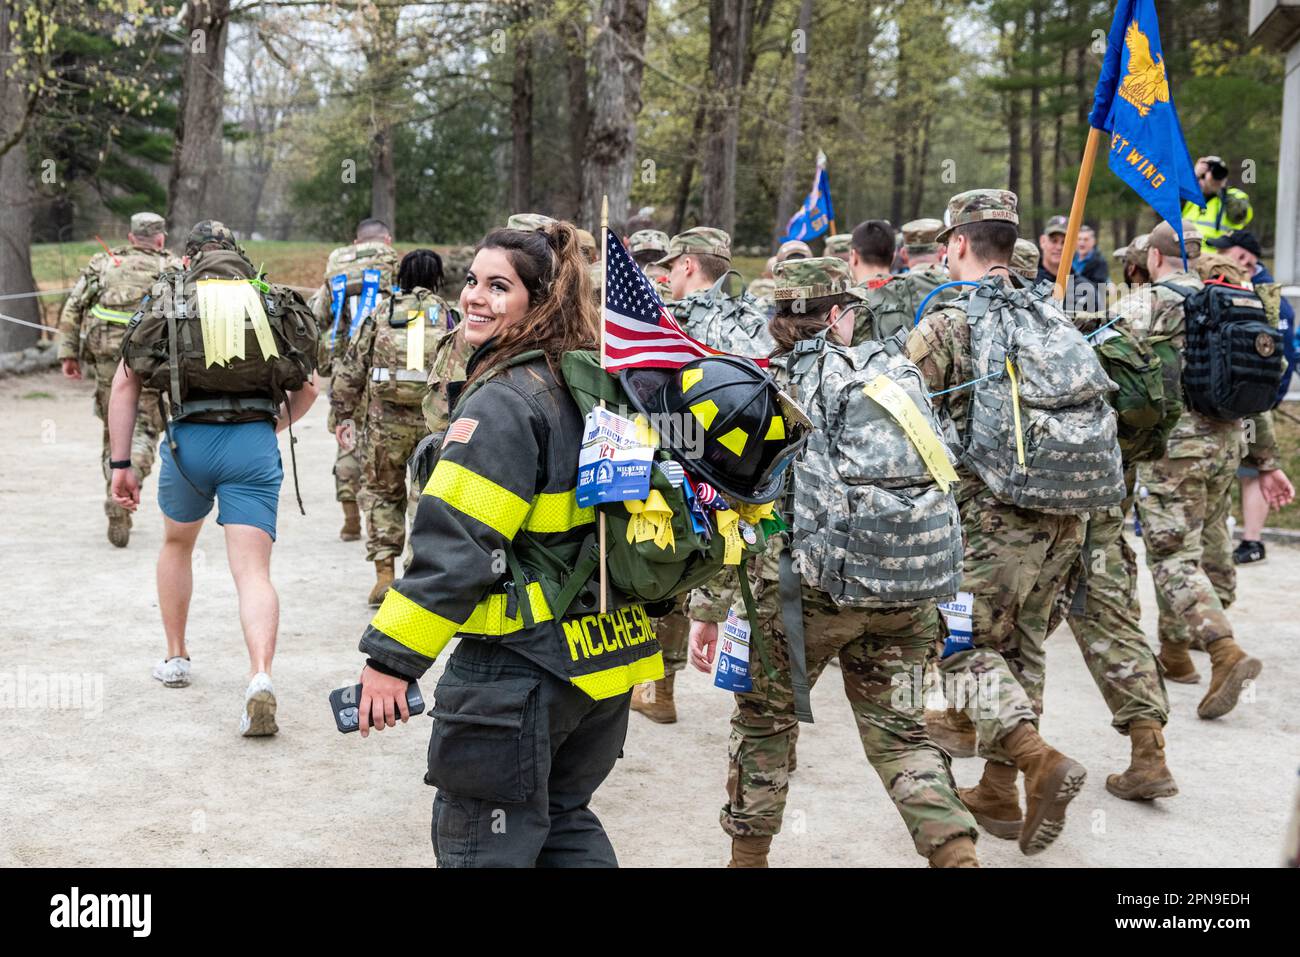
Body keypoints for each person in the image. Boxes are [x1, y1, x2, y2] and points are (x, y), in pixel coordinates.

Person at [351, 221, 670, 867]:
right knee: (562, 822)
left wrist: (391, 660)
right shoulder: (600, 386)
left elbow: (458, 548)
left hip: (518, 674)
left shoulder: (504, 401)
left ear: (541, 300)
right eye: (472, 280)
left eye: (500, 286)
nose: (474, 296)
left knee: (482, 841)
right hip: (603, 663)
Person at [687, 257, 979, 869]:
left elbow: (730, 503)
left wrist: (709, 609)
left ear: (778, 317)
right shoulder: (897, 371)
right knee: (902, 733)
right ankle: (955, 854)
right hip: (905, 589)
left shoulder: (764, 388)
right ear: (841, 314)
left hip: (801, 594)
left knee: (766, 721)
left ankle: (748, 860)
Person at [908, 189, 1100, 856]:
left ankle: (1036, 757)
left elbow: (899, 421)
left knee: (959, 644)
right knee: (1021, 646)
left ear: (958, 242)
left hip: (989, 517)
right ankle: (998, 787)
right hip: (1066, 516)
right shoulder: (1053, 314)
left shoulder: (948, 322)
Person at [110, 221, 319, 735]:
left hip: (188, 442)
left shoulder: (170, 298)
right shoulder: (268, 300)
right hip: (252, 441)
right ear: (238, 257)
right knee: (253, 574)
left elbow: (125, 382)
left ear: (188, 259)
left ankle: (177, 658)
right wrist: (271, 425)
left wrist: (121, 465)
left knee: (177, 545)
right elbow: (309, 388)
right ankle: (260, 677)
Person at [1131, 220, 1290, 712]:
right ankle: (1176, 652)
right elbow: (1259, 388)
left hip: (1172, 451)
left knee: (1173, 555)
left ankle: (1223, 651)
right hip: (1227, 443)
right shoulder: (1230, 298)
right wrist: (1265, 461)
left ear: (1155, 259)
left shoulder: (1147, 302)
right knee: (1205, 542)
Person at [631, 226, 772, 722]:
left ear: (687, 266)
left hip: (684, 461)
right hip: (748, 471)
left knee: (669, 568)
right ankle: (762, 711)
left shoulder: (674, 321)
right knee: (745, 577)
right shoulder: (759, 317)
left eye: (670, 268)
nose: (667, 278)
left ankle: (658, 686)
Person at [331, 249, 461, 605]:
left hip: (383, 424)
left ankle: (384, 577)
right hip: (434, 426)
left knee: (383, 495)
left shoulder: (380, 313)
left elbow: (352, 368)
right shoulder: (450, 315)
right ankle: (418, 577)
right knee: (428, 499)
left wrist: (341, 415)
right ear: (437, 278)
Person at [57, 212, 180, 547]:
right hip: (153, 360)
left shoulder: (103, 263)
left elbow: (73, 307)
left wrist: (68, 353)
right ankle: (130, 480)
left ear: (130, 237)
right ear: (160, 239)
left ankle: (116, 488)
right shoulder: (173, 268)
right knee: (144, 428)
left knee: (114, 429)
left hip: (107, 359)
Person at [1205, 230, 1298, 563]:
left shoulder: (1269, 298)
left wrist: (1268, 399)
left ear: (1244, 257)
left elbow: (1278, 358)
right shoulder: (1232, 289)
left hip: (1254, 401)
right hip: (1238, 399)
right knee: (1239, 471)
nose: (1217, 255)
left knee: (1253, 470)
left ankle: (1253, 540)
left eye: (1224, 250)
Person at [309, 218, 399, 542]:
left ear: (355, 241)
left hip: (343, 368)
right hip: (383, 366)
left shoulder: (338, 267)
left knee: (347, 434)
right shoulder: (392, 263)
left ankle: (350, 520)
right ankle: (383, 513)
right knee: (381, 437)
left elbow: (318, 315)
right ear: (386, 239)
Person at [1182, 155, 1253, 241]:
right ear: (1202, 176)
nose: (1217, 177)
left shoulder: (1233, 196)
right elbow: (1168, 207)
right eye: (1214, 173)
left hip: (1219, 253)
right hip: (1189, 251)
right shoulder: (1189, 196)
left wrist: (1220, 189)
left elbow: (1239, 215)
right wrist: (1193, 177)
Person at [1070, 224, 1110, 312]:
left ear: (1093, 241)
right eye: (1079, 239)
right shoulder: (1069, 259)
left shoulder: (1100, 262)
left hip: (1091, 306)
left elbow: (1099, 287)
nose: (1082, 242)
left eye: (1085, 239)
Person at [1035, 214, 1068, 285]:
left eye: (1064, 242)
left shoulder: (1084, 290)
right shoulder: (1027, 280)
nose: (1059, 247)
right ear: (1042, 241)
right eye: (1054, 241)